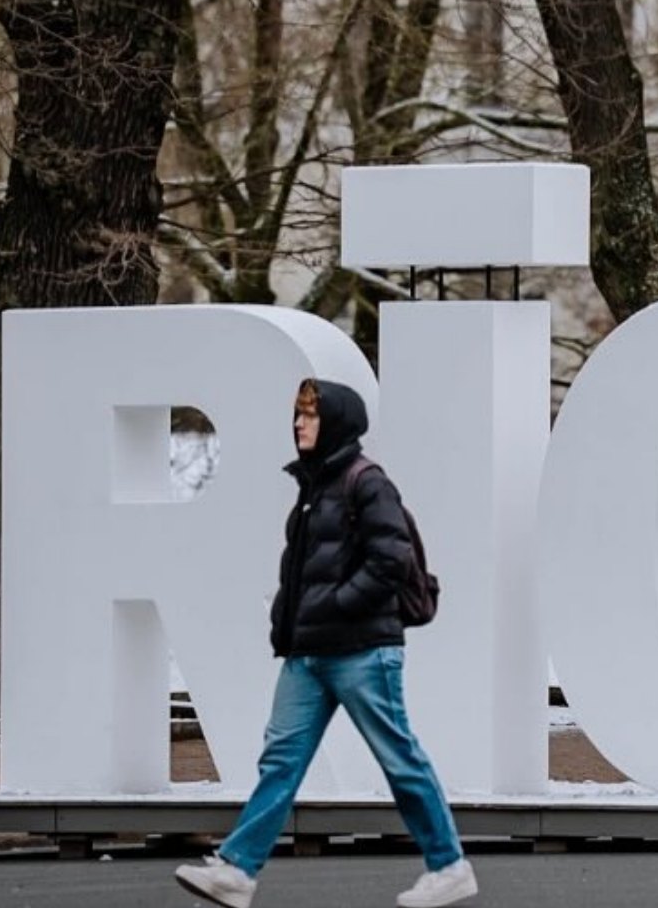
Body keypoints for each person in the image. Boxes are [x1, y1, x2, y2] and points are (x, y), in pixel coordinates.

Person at [175, 378, 476, 908]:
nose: (299, 424)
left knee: (398, 757)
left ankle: (449, 866)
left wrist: (338, 604)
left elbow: (392, 558)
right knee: (280, 761)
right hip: (308, 655)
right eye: (297, 415)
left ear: (335, 422)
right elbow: (304, 572)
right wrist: (287, 620)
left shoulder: (367, 482)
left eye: (310, 415)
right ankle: (237, 873)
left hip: (361, 650)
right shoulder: (313, 490)